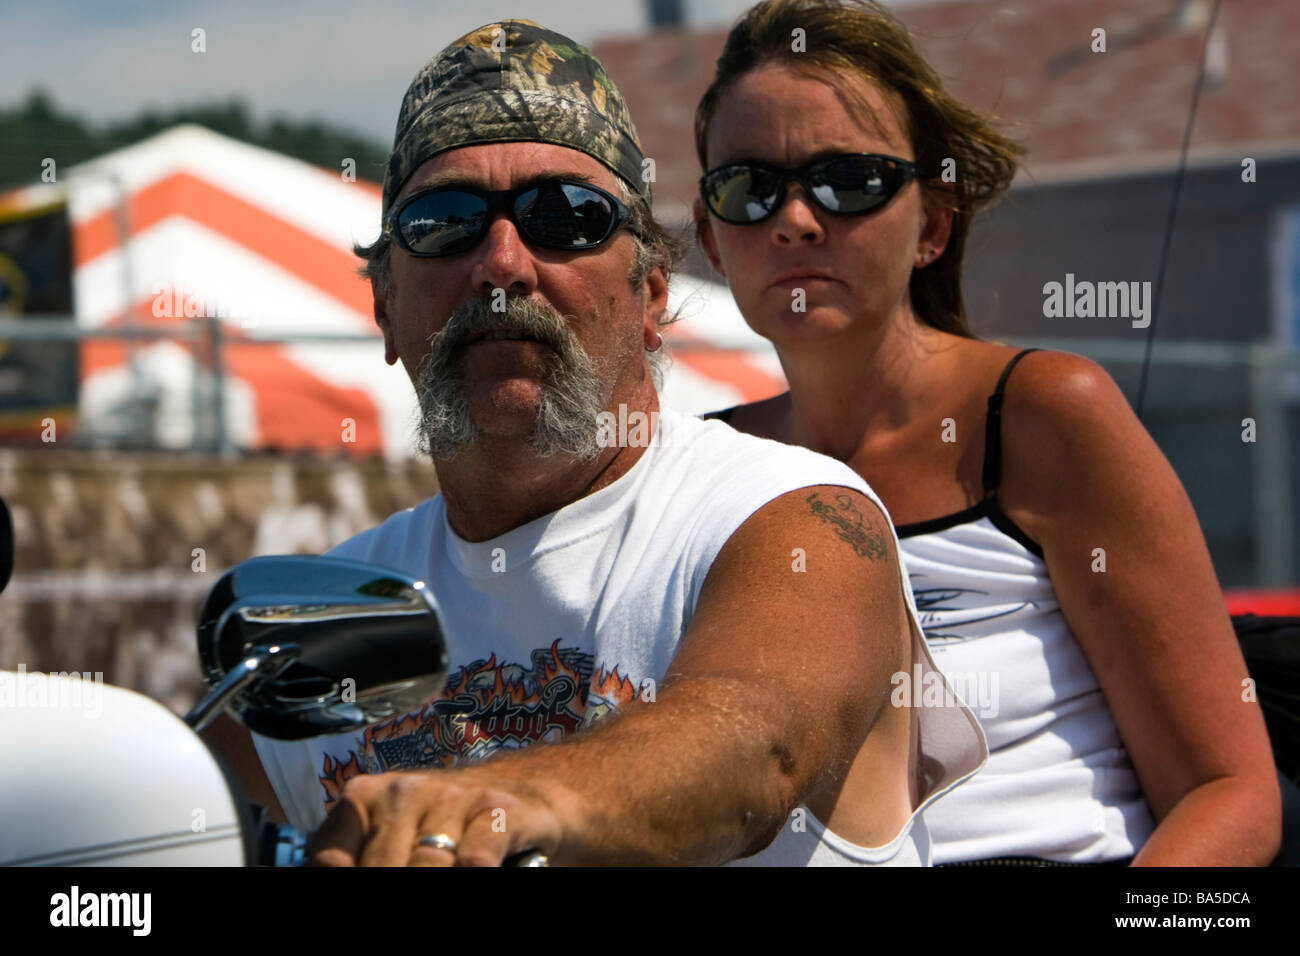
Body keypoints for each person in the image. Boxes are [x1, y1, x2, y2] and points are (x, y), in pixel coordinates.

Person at [205, 19, 986, 867]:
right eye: (443, 222)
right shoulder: (326, 612)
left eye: (567, 218)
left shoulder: (792, 520)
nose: (502, 263)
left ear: (651, 297)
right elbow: (167, 821)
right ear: (386, 308)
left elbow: (755, 748)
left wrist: (497, 800)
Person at [695, 0, 1280, 865]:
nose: (794, 219)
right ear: (710, 237)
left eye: (846, 180)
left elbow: (1229, 796)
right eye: (748, 187)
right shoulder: (701, 472)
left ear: (932, 223)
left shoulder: (1042, 414)